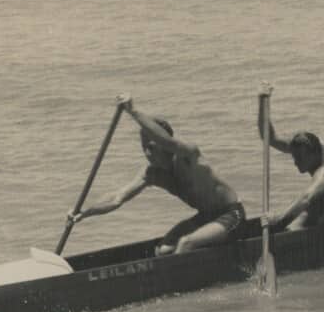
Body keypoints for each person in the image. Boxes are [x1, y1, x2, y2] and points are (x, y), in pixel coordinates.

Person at [68, 96, 245, 255]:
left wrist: (133, 111)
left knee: (186, 244)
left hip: (231, 215)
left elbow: (166, 141)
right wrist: (85, 212)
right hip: (205, 216)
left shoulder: (188, 156)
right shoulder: (151, 173)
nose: (147, 152)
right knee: (163, 250)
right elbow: (116, 198)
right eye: (143, 146)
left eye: (151, 146)